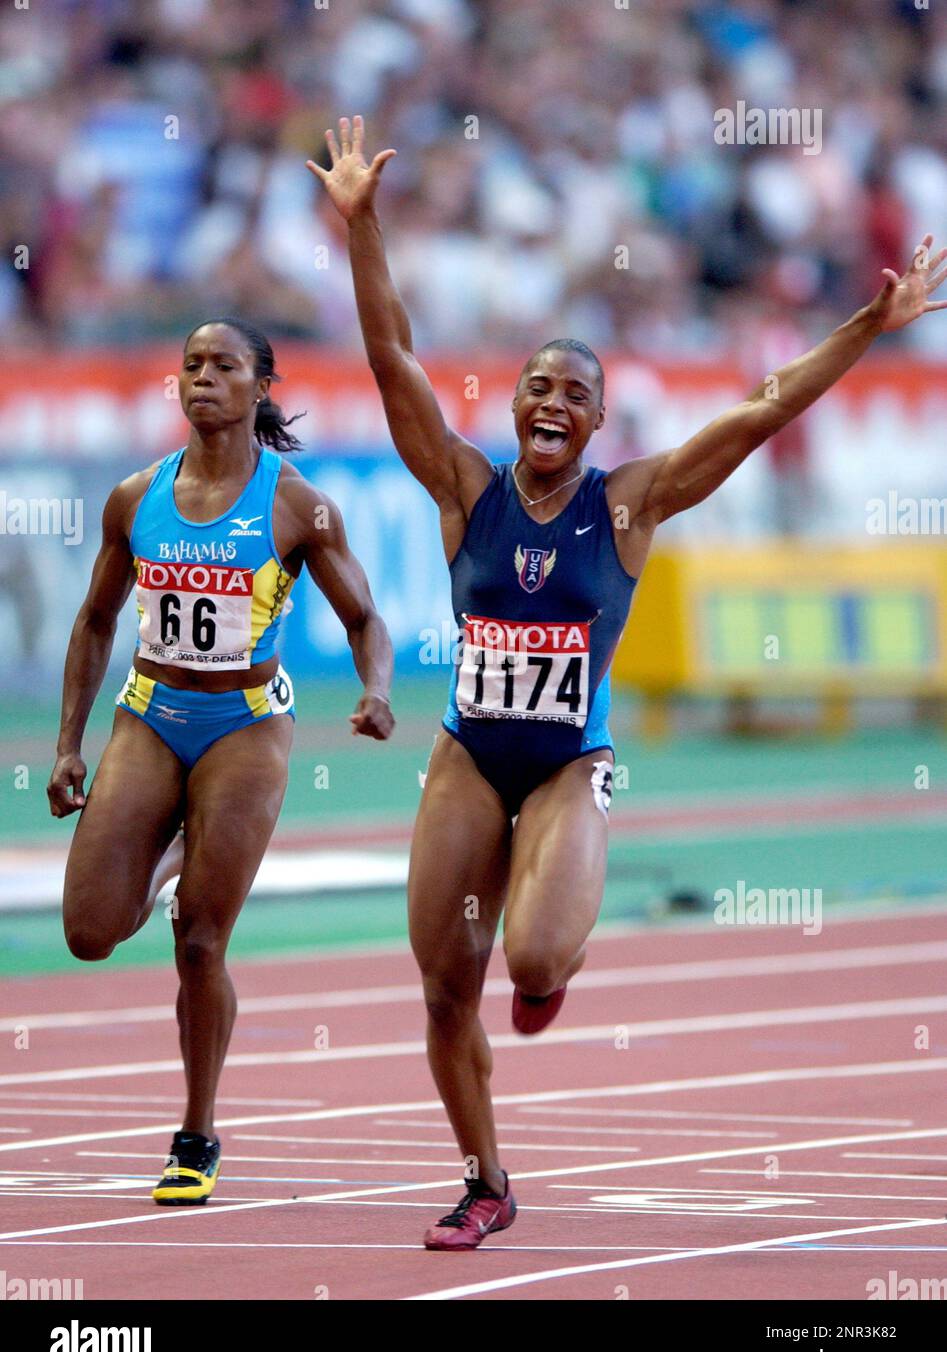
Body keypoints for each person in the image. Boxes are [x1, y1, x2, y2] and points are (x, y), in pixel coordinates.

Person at [309, 115, 946, 1251]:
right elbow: (390, 356)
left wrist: (868, 322)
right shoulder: (465, 488)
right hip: (466, 753)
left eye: (571, 394)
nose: (550, 402)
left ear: (597, 422)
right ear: (513, 407)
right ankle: (485, 1178)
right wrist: (361, 226)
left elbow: (760, 406)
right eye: (534, 387)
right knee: (445, 987)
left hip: (564, 766)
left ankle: (557, 943)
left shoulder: (632, 503)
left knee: (535, 961)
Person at [47, 315, 394, 1205]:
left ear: (260, 387)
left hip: (244, 725)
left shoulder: (296, 504)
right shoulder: (135, 496)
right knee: (89, 931)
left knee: (200, 940)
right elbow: (93, 622)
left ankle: (196, 1134)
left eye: (224, 365)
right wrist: (66, 745)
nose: (203, 377)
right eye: (191, 365)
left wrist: (376, 690)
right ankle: (170, 851)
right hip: (148, 713)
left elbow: (364, 619)